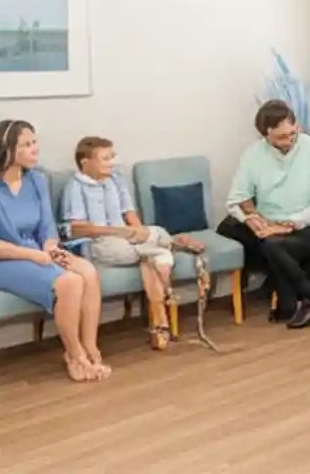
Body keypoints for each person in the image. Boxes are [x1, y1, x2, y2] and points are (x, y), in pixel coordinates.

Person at [0, 119, 110, 382]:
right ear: (6, 150)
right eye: (26, 145)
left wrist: (50, 247)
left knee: (87, 271)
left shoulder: (36, 180)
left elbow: (47, 227)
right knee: (70, 282)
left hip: (36, 251)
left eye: (34, 142)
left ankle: (90, 347)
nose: (35, 149)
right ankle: (75, 356)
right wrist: (33, 255)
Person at [61, 136, 205, 351]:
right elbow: (79, 228)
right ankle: (170, 247)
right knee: (156, 254)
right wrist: (120, 232)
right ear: (85, 162)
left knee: (156, 234)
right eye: (105, 158)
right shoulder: (75, 187)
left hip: (127, 238)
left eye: (112, 157)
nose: (112, 162)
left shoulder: (116, 178)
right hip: (99, 242)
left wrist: (140, 232)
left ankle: (160, 322)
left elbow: (129, 213)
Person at [216, 99, 310, 328]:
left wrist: (288, 225)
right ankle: (287, 293)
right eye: (280, 138)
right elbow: (236, 198)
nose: (288, 141)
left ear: (297, 126)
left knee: (274, 246)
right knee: (228, 227)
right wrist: (251, 218)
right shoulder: (253, 154)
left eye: (292, 134)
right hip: (270, 224)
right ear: (266, 135)